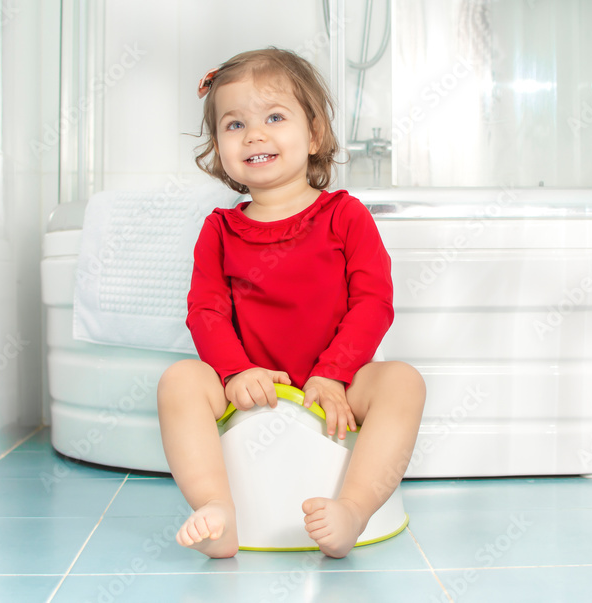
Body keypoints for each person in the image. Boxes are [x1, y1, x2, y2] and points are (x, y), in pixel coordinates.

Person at [157, 47, 426, 559]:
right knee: (179, 382)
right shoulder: (218, 230)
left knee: (403, 382)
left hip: (340, 382)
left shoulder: (345, 216)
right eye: (235, 124)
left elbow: (373, 302)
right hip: (249, 384)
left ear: (314, 135)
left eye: (274, 117)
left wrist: (335, 372)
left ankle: (353, 507)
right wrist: (235, 371)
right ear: (219, 147)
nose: (254, 134)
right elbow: (205, 312)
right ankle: (218, 509)